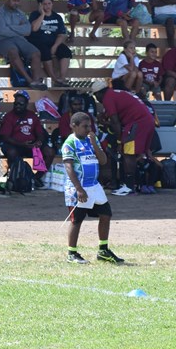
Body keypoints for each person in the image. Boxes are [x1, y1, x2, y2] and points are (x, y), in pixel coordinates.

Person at [61, 111, 124, 264]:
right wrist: (79, 189)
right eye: (84, 126)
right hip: (79, 187)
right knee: (77, 220)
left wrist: (95, 144)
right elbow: (69, 167)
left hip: (94, 186)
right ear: (73, 126)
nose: (88, 129)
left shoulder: (90, 140)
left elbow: (103, 161)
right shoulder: (70, 143)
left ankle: (103, 250)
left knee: (106, 214)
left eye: (90, 126)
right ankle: (72, 253)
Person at [90, 79, 157, 196]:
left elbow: (116, 123)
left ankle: (129, 187)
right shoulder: (116, 93)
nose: (97, 99)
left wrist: (120, 141)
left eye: (96, 96)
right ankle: (135, 184)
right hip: (145, 121)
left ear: (99, 93)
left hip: (137, 123)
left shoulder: (107, 98)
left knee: (128, 154)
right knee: (135, 154)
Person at [0, 0, 44, 89]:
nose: (16, 3)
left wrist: (10, 27)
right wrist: (19, 29)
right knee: (13, 51)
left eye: (18, 1)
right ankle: (30, 81)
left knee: (36, 53)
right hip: (2, 42)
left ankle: (36, 81)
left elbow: (27, 30)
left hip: (20, 40)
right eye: (14, 0)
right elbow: (2, 31)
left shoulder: (21, 13)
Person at [0, 90, 51, 181]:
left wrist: (39, 141)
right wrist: (22, 144)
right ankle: (15, 178)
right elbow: (5, 137)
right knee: (12, 153)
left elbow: (40, 132)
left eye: (21, 104)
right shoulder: (9, 116)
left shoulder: (32, 115)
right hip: (15, 145)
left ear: (26, 104)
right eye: (16, 104)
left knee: (49, 152)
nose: (18, 106)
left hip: (31, 145)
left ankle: (35, 179)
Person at [28, 0, 74, 87]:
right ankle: (54, 78)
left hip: (53, 42)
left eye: (49, 3)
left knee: (66, 52)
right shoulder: (34, 15)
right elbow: (34, 28)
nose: (47, 6)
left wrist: (55, 46)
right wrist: (42, 15)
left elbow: (61, 34)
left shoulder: (57, 17)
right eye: (44, 4)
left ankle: (61, 78)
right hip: (38, 42)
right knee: (45, 52)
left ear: (52, 4)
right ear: (40, 5)